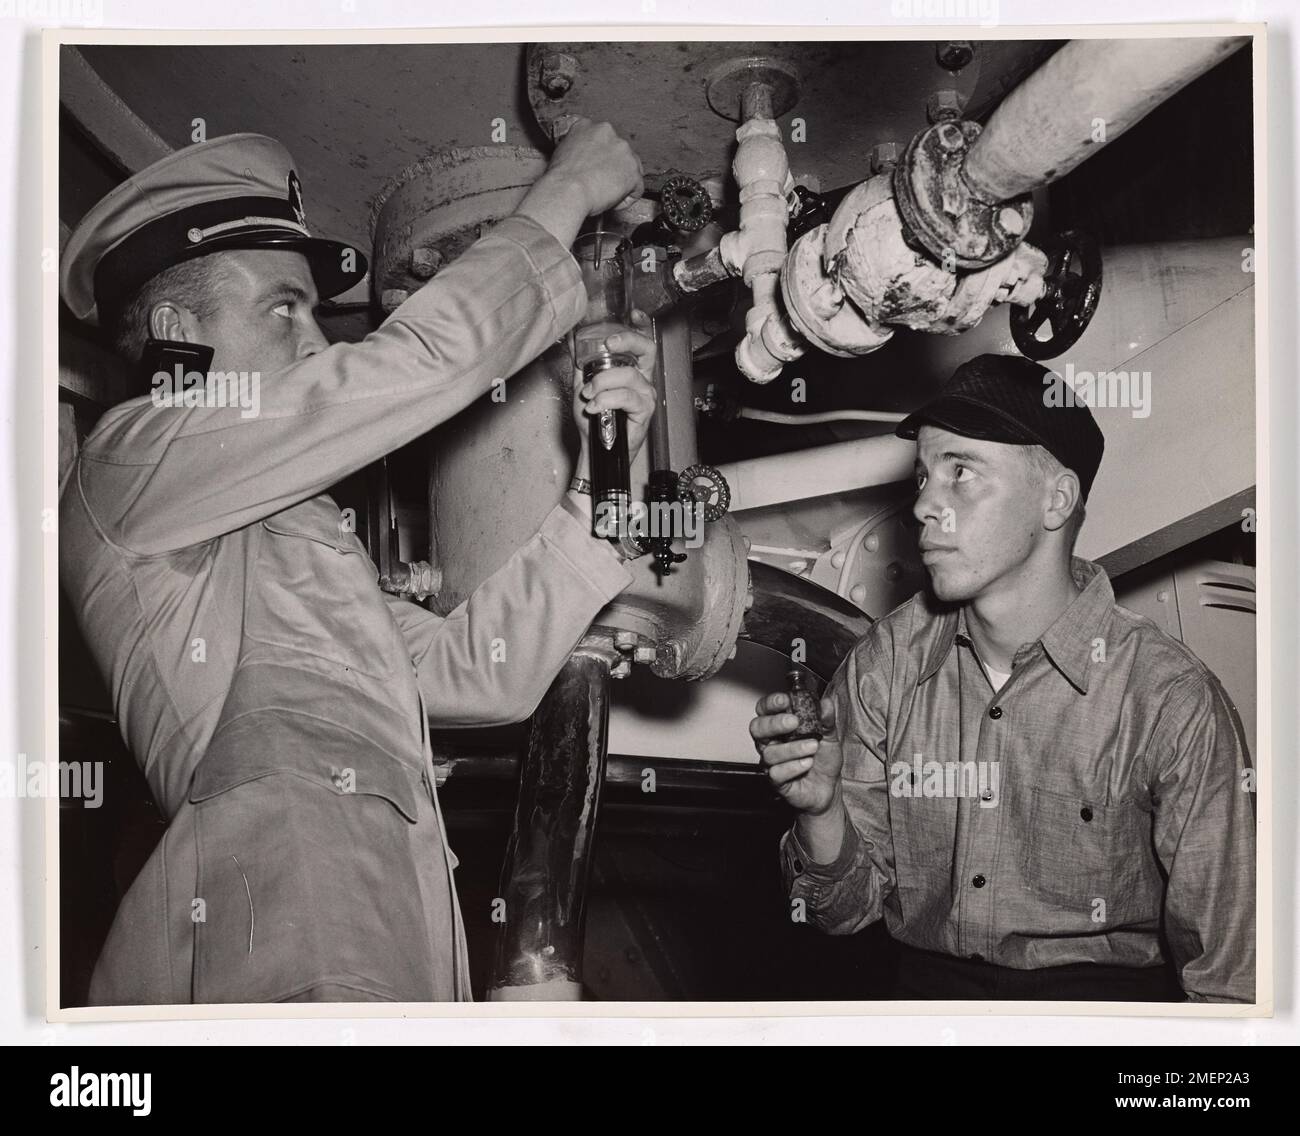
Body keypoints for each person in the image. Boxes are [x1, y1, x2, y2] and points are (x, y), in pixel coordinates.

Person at [59, 124, 657, 1004]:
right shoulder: (129, 460)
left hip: (399, 923)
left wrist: (610, 472)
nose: (318, 340)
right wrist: (563, 194)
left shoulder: (283, 524)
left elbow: (480, 675)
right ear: (172, 332)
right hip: (287, 911)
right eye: (282, 307)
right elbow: (403, 370)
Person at [749, 353, 1255, 1002]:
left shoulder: (1169, 701)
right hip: (927, 1004)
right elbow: (843, 914)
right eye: (924, 476)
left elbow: (1230, 986)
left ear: (1056, 500)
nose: (925, 505)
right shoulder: (886, 665)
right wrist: (821, 813)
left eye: (961, 473)